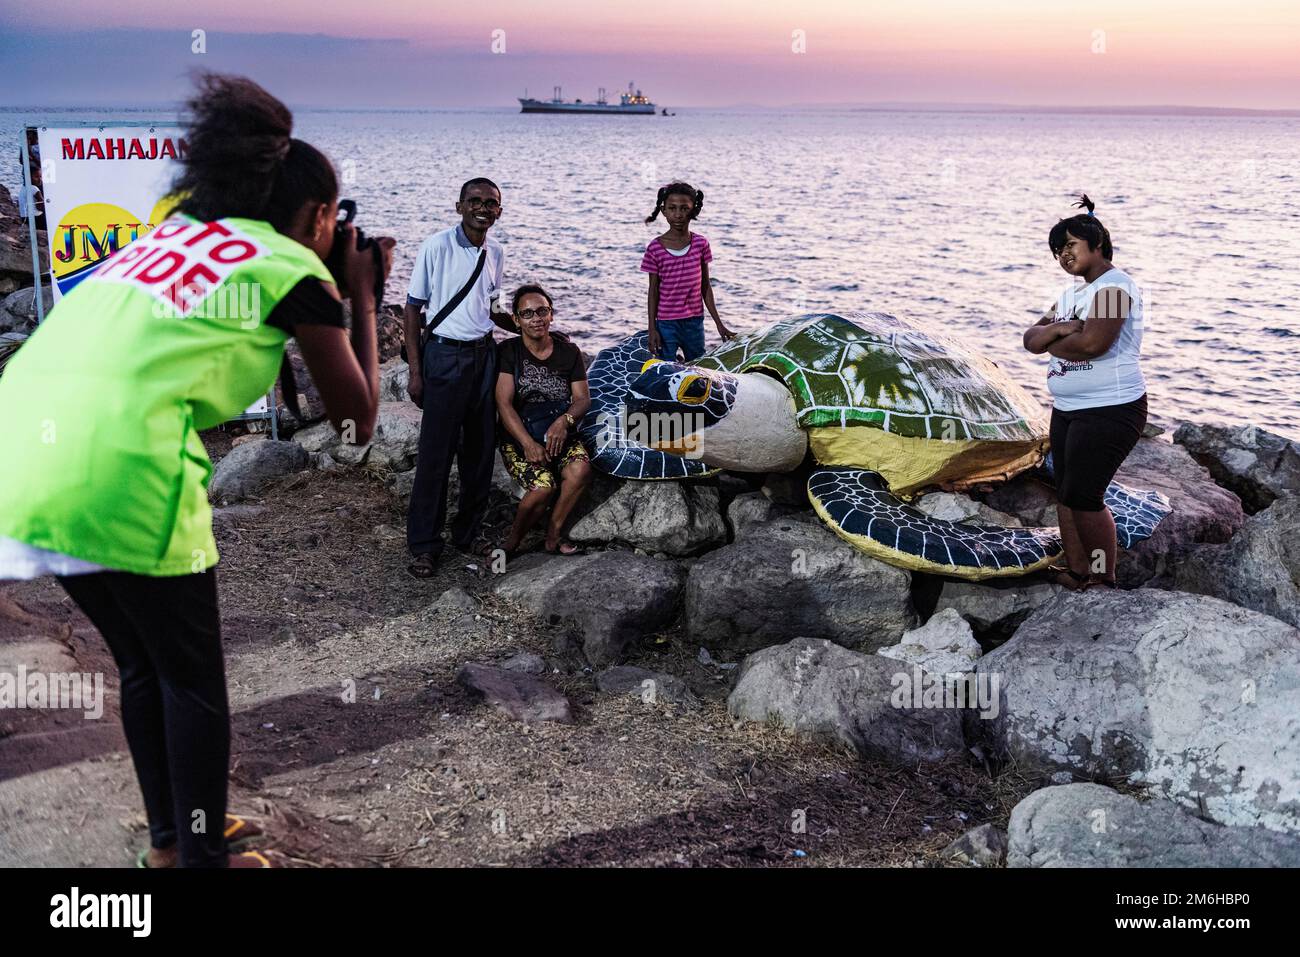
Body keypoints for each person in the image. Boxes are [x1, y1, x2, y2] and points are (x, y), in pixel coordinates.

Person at [0, 73, 392, 867]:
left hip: (22, 448)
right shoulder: (291, 268)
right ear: (320, 217)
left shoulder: (174, 237)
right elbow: (357, 418)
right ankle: (204, 860)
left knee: (145, 664)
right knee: (192, 684)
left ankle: (176, 840)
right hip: (117, 461)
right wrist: (359, 291)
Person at [1023, 194, 1147, 590]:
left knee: (1086, 496)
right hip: (1069, 407)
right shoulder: (1070, 295)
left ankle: (1102, 575)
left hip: (1109, 409)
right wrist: (1060, 330)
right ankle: (1077, 571)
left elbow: (1095, 345)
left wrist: (1053, 341)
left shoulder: (1113, 287)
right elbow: (1030, 339)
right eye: (1058, 249)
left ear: (1097, 245)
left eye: (1071, 246)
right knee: (1066, 492)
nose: (1063, 255)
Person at [403, 178, 514, 578]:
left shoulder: (496, 251)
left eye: (491, 203)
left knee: (480, 454)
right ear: (459, 206)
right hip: (444, 356)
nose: (483, 208)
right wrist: (416, 371)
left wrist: (532, 328)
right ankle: (424, 545)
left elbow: (492, 305)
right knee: (436, 454)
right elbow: (413, 308)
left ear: (499, 211)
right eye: (475, 201)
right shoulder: (436, 246)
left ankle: (467, 533)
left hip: (484, 356)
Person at [494, 285, 593, 556]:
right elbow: (503, 403)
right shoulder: (509, 351)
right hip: (521, 435)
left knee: (580, 470)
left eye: (542, 311)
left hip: (559, 433)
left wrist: (564, 422)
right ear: (516, 320)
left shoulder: (569, 352)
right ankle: (512, 542)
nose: (536, 318)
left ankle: (553, 534)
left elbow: (583, 399)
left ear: (551, 315)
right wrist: (527, 443)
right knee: (543, 487)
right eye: (527, 313)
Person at [641, 181, 734, 361]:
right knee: (665, 370)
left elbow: (705, 287)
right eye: (672, 208)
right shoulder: (655, 248)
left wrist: (719, 323)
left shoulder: (701, 244)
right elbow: (653, 291)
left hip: (694, 322)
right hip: (666, 323)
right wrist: (652, 328)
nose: (678, 214)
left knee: (698, 367)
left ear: (693, 211)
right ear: (664, 211)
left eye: (684, 208)